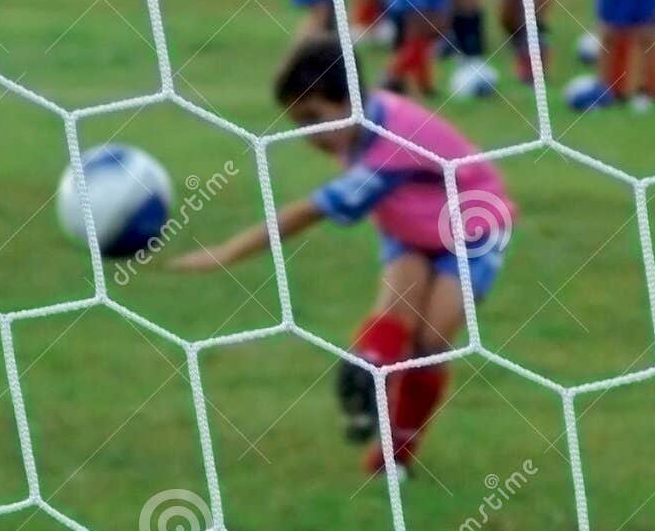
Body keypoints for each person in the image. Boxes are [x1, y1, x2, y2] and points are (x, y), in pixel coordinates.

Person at [170, 35, 515, 478]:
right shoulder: (365, 118)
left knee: (430, 342)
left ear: (348, 100)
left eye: (313, 119)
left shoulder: (390, 144)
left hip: (474, 227)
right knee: (393, 318)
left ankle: (396, 453)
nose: (307, 135)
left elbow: (311, 211)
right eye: (299, 124)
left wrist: (226, 252)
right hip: (410, 223)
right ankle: (368, 373)